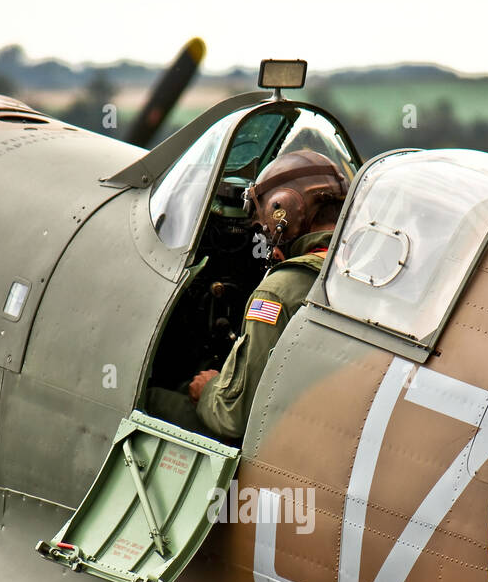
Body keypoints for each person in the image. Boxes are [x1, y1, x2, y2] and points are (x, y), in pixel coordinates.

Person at [148, 149, 348, 444]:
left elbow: (233, 419)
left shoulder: (278, 291)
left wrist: (208, 389)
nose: (265, 235)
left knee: (153, 399)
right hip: (324, 437)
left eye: (265, 222)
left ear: (285, 208)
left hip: (274, 445)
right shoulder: (359, 270)